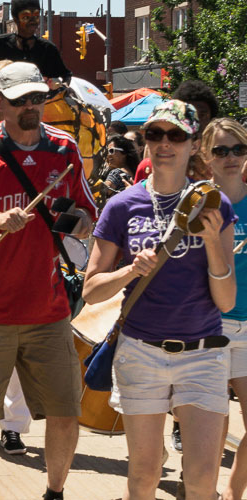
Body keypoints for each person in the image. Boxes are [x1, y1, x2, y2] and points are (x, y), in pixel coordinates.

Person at [0, 61, 96, 500]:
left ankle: (54, 492)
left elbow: (88, 218)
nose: (32, 107)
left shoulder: (64, 148)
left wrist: (68, 220)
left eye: (37, 98)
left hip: (48, 309)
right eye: (20, 101)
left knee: (65, 411)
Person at [83, 100, 235, 500]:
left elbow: (225, 299)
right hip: (140, 353)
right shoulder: (121, 206)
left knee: (202, 480)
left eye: (176, 135)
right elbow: (91, 289)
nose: (164, 144)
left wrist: (214, 246)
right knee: (144, 476)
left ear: (192, 144)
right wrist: (131, 270)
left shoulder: (215, 203)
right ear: (146, 141)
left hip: (202, 353)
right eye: (155, 134)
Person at [203, 118, 247, 500]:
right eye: (221, 150)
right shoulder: (198, 204)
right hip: (211, 325)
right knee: (212, 426)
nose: (230, 157)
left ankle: (233, 492)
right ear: (206, 157)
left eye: (238, 149)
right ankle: (206, 492)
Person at [0, 0, 71, 95]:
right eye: (26, 17)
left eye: (36, 16)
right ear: (15, 19)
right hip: (7, 109)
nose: (33, 21)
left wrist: (64, 87)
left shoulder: (48, 49)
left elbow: (66, 75)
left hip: (41, 109)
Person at [134, 80, 221, 183]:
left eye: (202, 115)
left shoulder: (223, 163)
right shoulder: (148, 167)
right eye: (189, 115)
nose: (196, 121)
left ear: (211, 119)